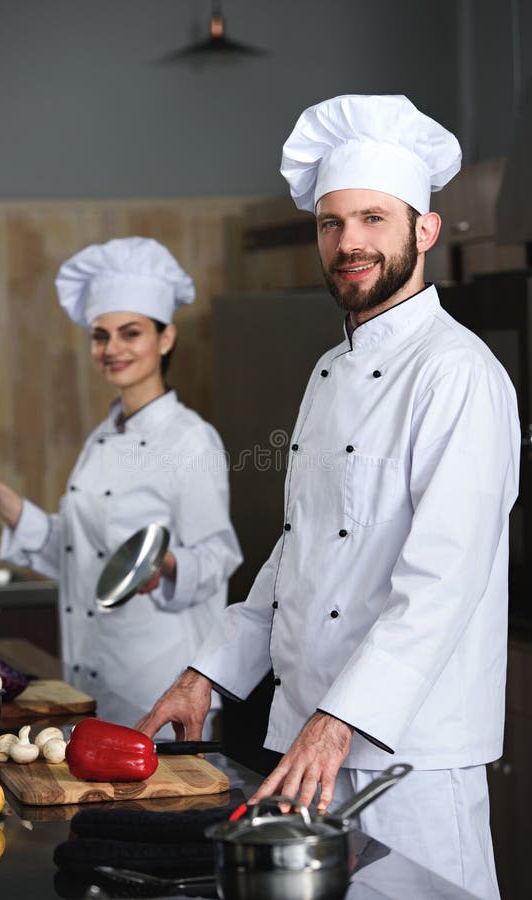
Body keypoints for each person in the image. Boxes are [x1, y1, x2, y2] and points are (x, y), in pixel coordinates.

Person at [135, 96, 520, 898]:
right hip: (311, 745)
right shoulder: (327, 371)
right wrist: (209, 673)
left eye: (373, 219)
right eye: (330, 223)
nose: (349, 243)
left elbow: (443, 581)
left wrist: (341, 718)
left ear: (424, 230)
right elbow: (301, 549)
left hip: (408, 760)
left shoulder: (457, 375)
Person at [0, 236, 243, 737]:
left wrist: (166, 564)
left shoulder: (190, 438)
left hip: (158, 685)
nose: (112, 349)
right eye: (100, 336)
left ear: (166, 337)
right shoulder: (104, 435)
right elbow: (77, 551)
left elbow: (218, 556)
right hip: (92, 676)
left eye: (130, 333)